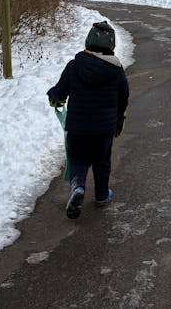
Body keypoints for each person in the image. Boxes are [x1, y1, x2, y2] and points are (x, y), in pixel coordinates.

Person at [48, 21, 129, 219]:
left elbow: (60, 92)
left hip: (78, 128)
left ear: (87, 42)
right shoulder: (117, 71)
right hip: (104, 130)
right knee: (102, 162)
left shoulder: (75, 66)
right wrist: (119, 120)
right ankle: (101, 195)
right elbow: (123, 98)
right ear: (112, 47)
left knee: (79, 159)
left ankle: (78, 186)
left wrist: (55, 98)